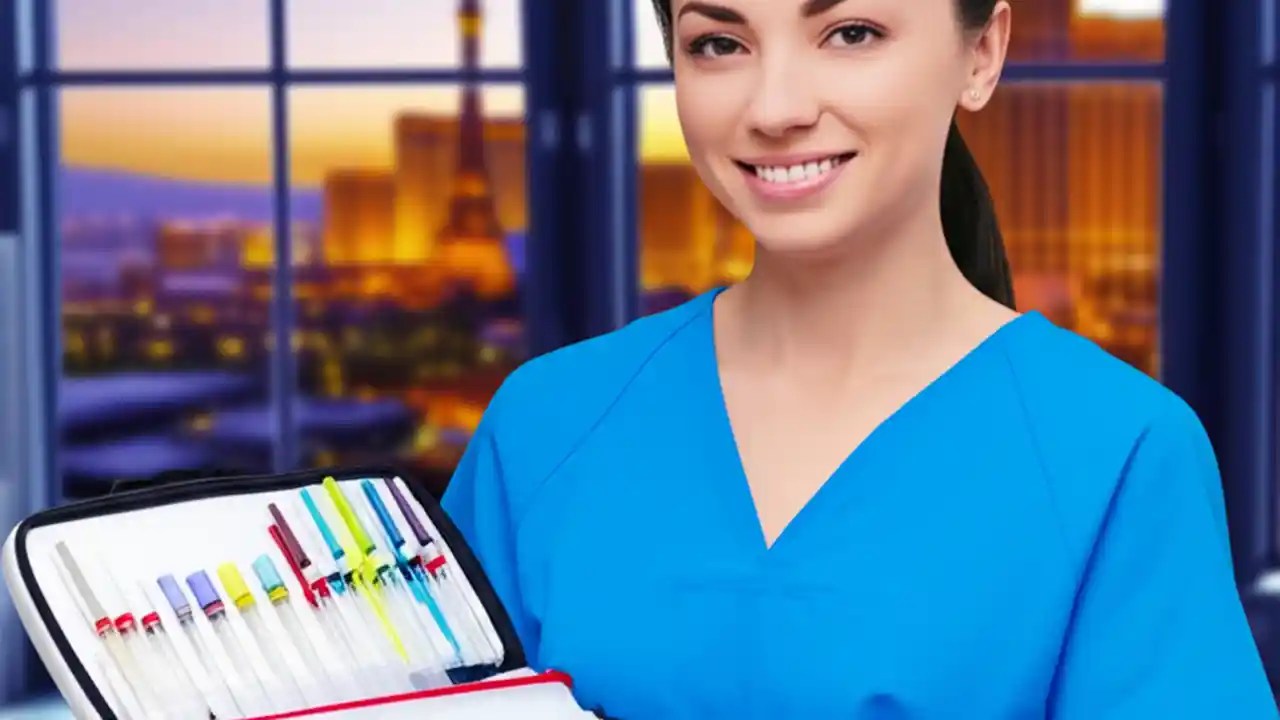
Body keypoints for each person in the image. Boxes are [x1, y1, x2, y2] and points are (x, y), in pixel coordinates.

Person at [443, 0, 1279, 716]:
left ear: (980, 54)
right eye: (718, 43)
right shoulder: (543, 426)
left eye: (850, 33)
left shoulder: (1119, 453)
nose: (774, 107)